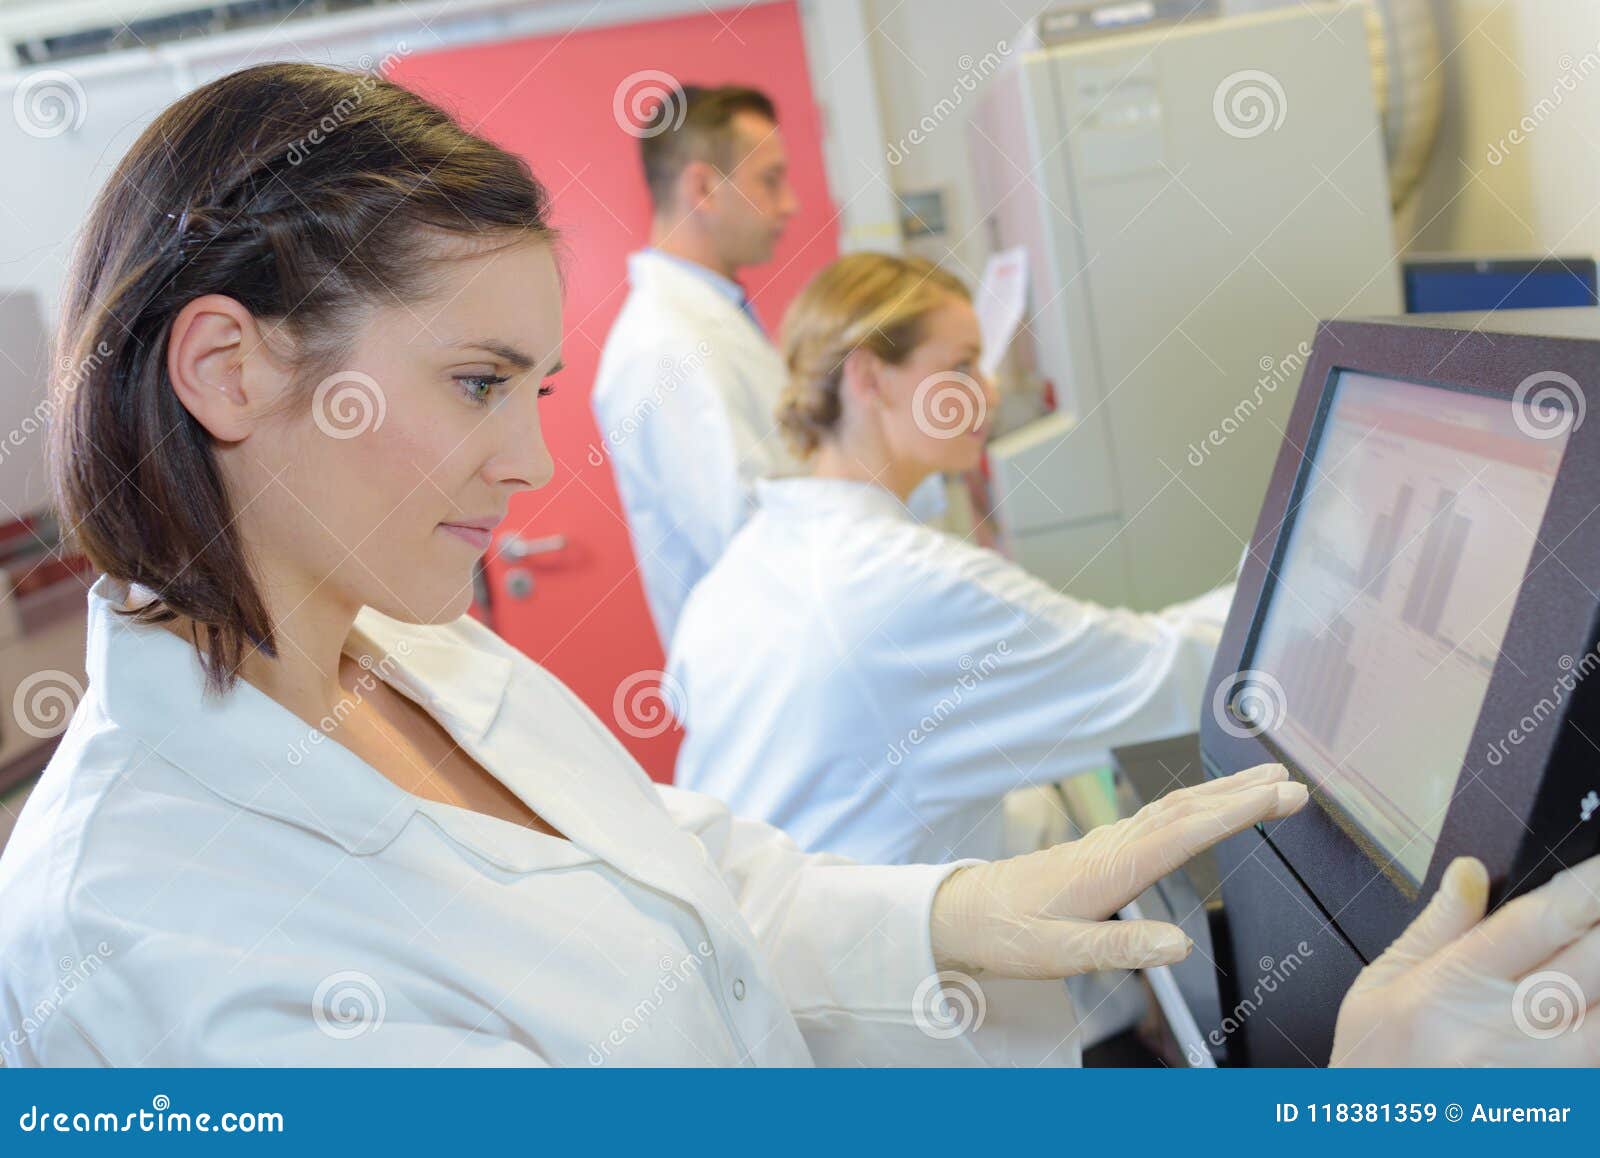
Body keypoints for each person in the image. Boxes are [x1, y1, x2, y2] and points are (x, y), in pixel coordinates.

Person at [1, 62, 1593, 1070]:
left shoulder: (399, 648)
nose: (533, 463)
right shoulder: (158, 941)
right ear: (225, 368)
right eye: (477, 382)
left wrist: (962, 903)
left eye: (534, 391)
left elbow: (689, 876)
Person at [669, 253, 1235, 866]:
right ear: (871, 378)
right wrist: (1300, 586)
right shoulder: (906, 583)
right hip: (859, 951)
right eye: (962, 367)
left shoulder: (756, 555)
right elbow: (1164, 678)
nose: (987, 391)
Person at [592, 84, 943, 649]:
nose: (790, 204)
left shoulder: (714, 319)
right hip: (773, 656)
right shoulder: (665, 346)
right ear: (703, 188)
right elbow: (751, 536)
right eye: (770, 181)